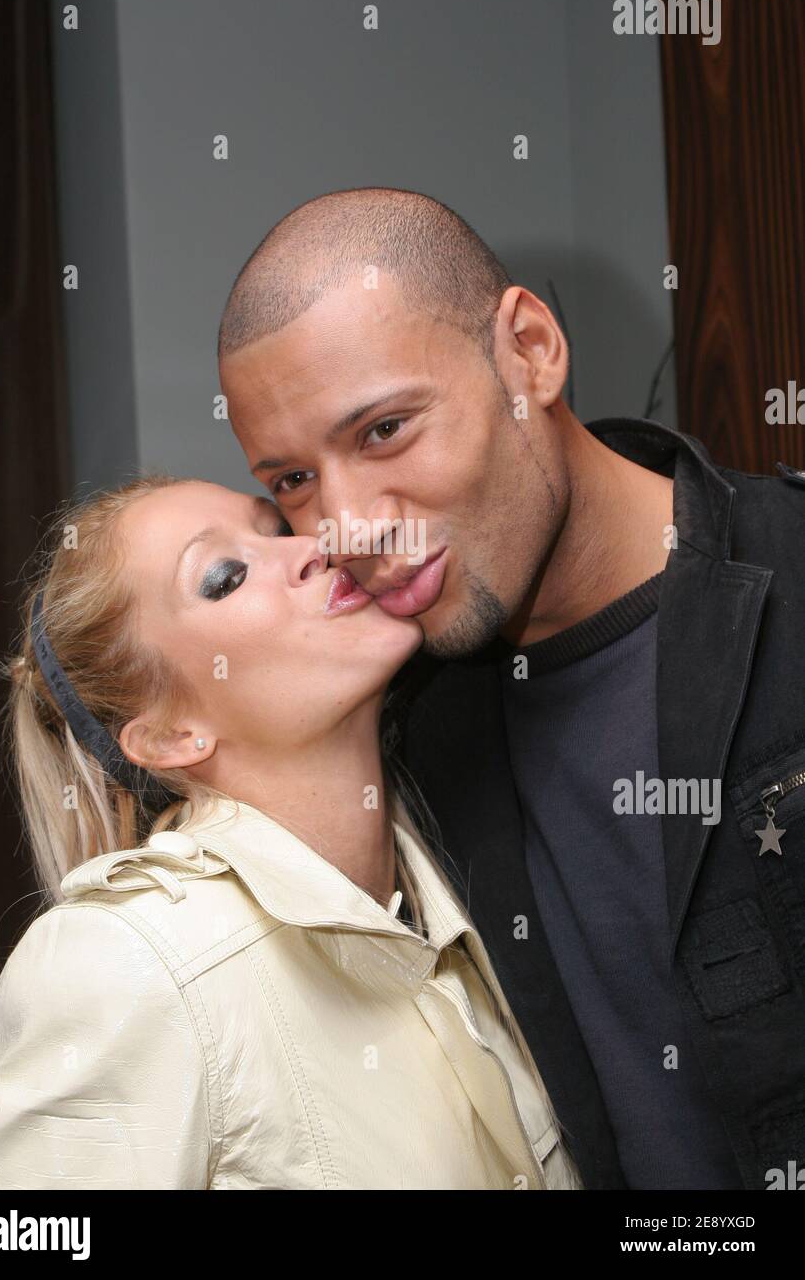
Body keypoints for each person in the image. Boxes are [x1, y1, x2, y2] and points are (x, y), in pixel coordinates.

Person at [217, 185, 805, 1191]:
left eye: (383, 430)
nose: (350, 525)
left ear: (529, 350)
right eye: (292, 481)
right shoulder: (390, 736)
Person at [0, 475, 578, 1191]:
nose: (315, 548)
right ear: (168, 735)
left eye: (277, 527)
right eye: (224, 577)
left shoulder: (471, 891)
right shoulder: (127, 964)